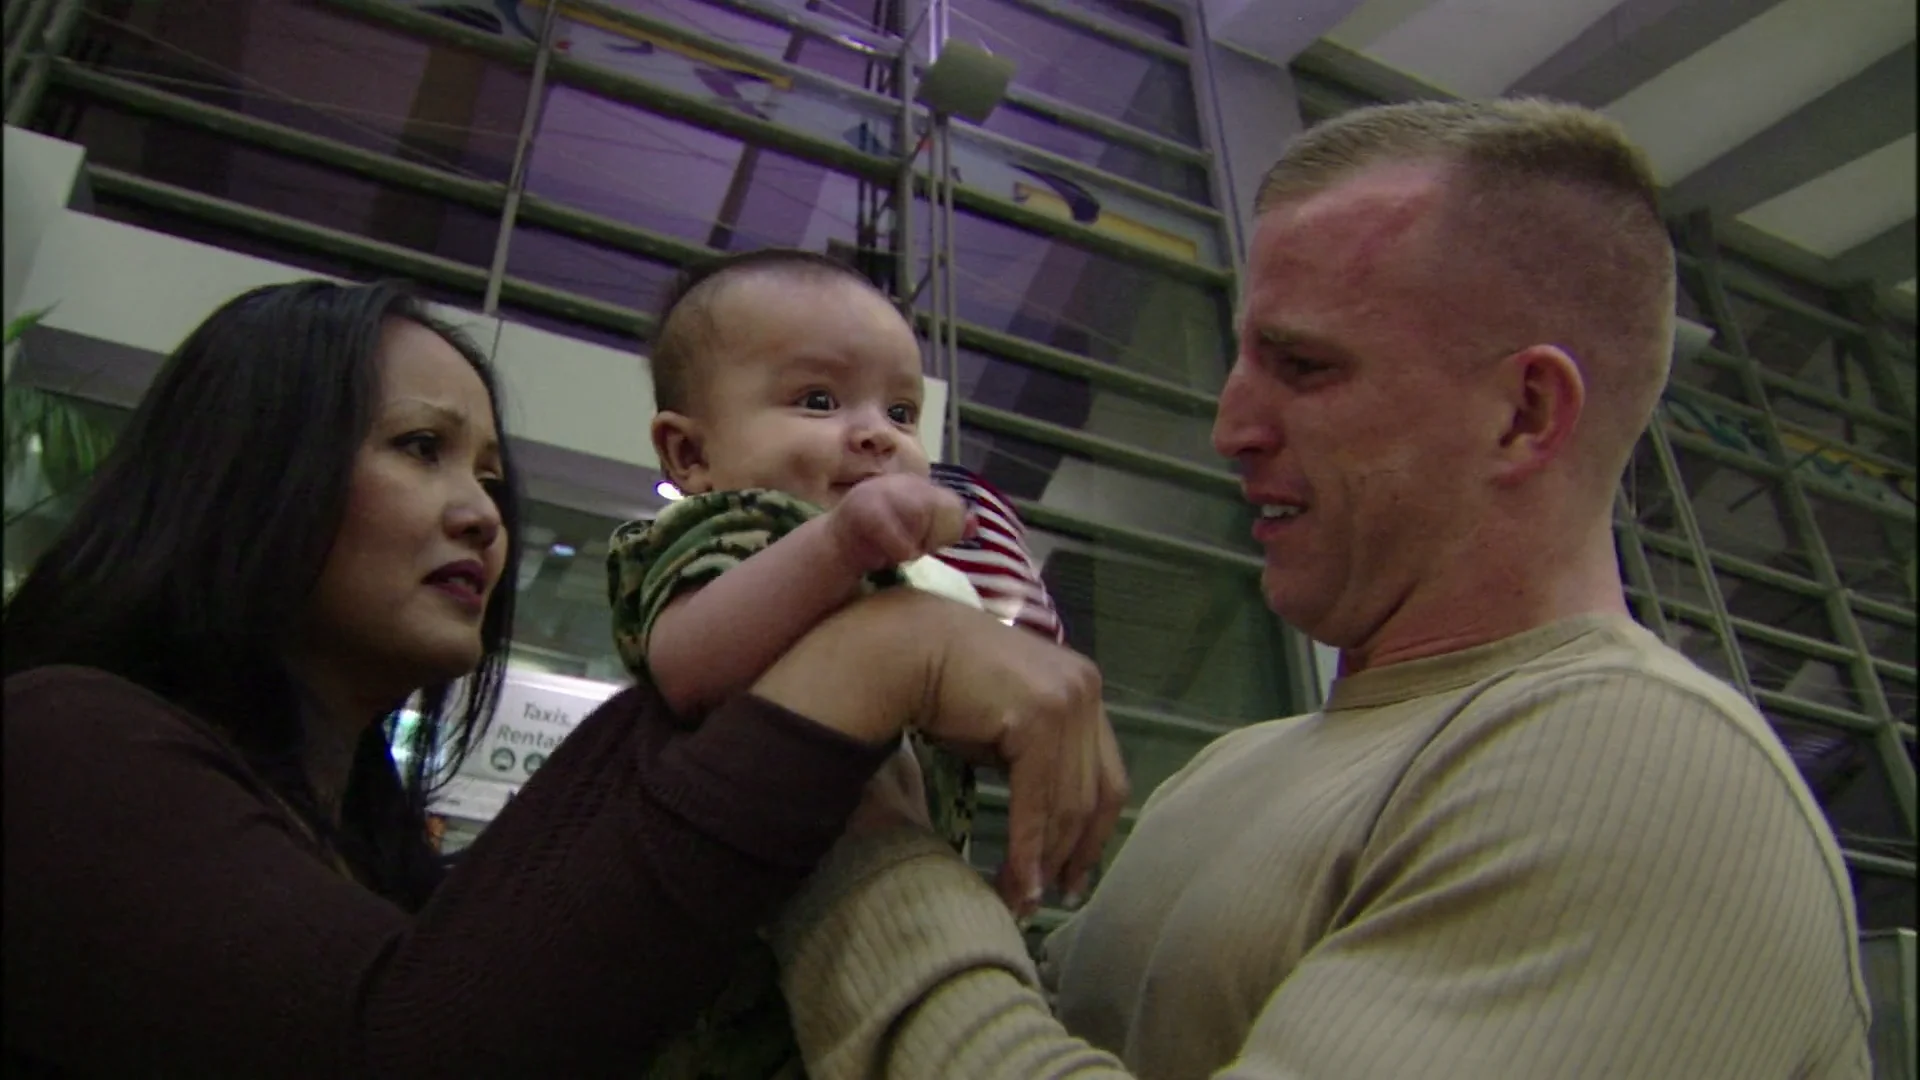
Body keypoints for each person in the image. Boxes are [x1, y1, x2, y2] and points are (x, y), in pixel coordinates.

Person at [759, 99, 1874, 1078]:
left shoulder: (1643, 764)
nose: (1229, 426)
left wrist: (861, 849)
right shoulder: (1236, 768)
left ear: (1526, 414)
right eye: (1245, 361)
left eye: (1305, 367)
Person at [1, 279, 1127, 1076]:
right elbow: (402, 1050)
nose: (481, 512)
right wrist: (878, 656)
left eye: (489, 474)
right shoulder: (59, 745)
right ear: (247, 465)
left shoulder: (375, 855)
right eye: (418, 447)